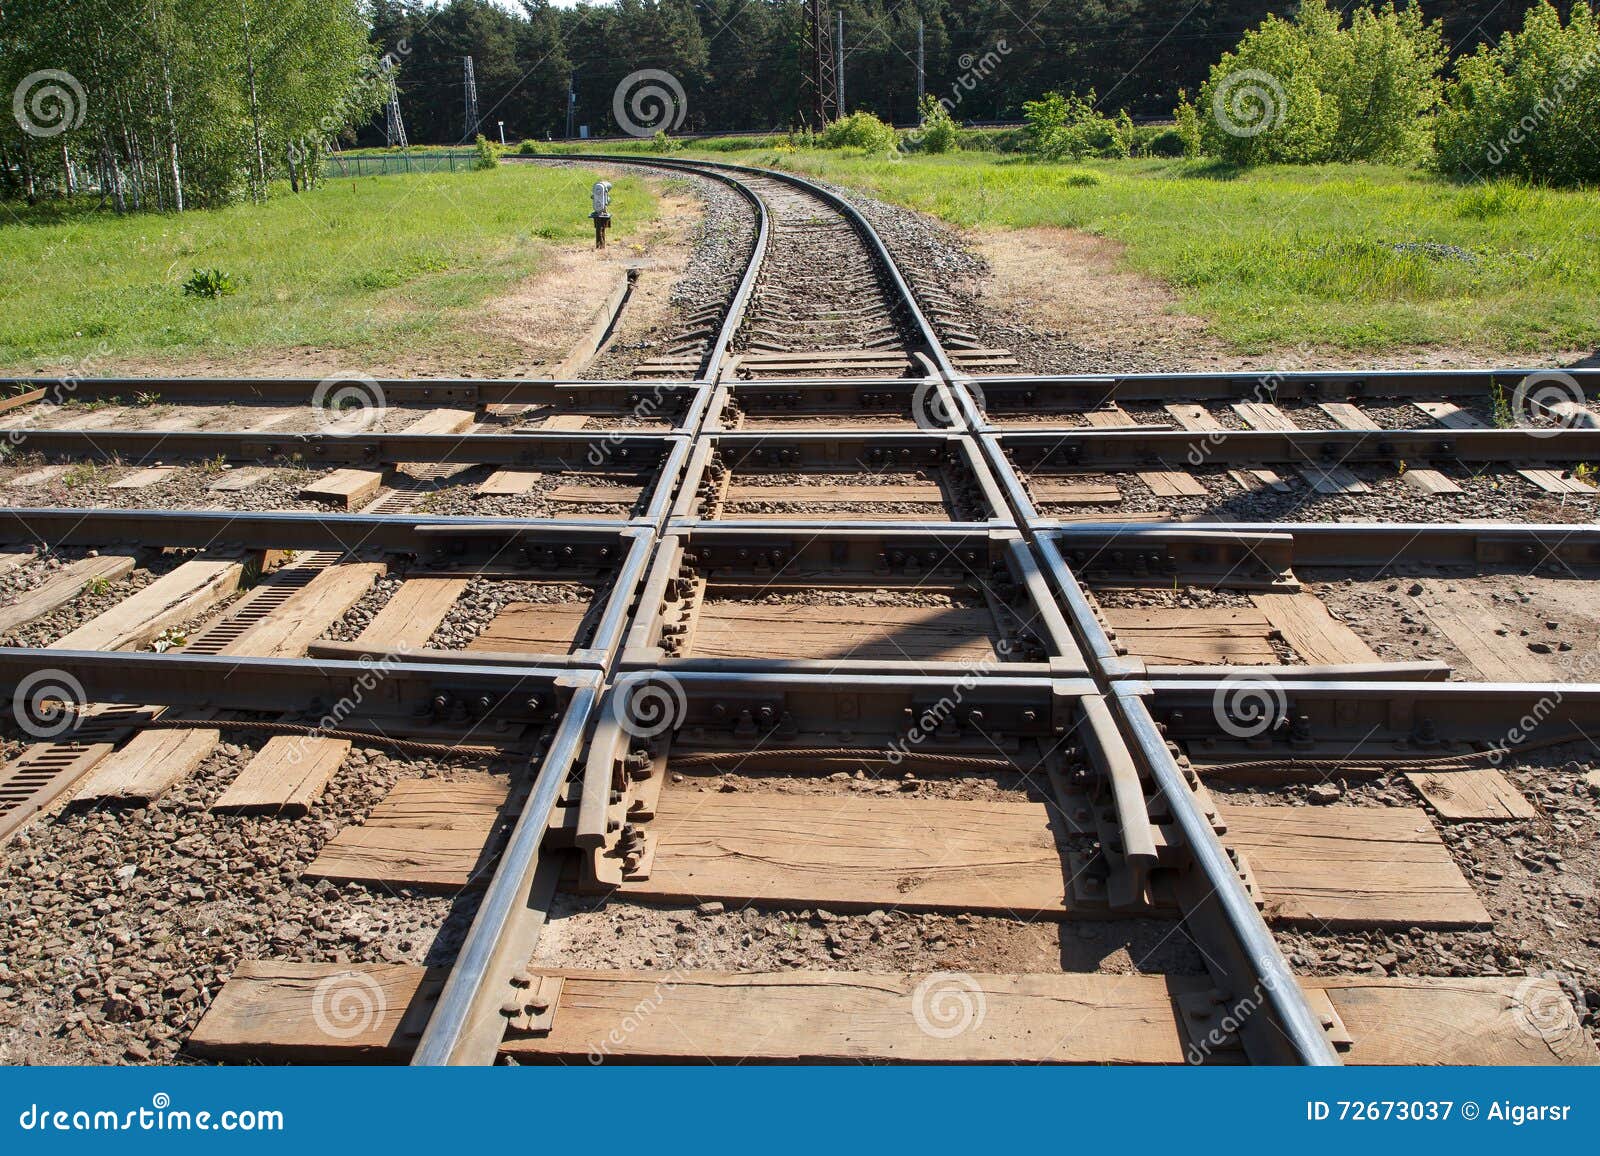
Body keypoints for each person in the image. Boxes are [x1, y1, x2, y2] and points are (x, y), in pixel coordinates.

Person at [590, 180, 612, 250]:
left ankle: (600, 246)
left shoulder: (600, 188)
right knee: (600, 228)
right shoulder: (602, 188)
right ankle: (600, 247)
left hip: (600, 212)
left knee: (601, 228)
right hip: (600, 213)